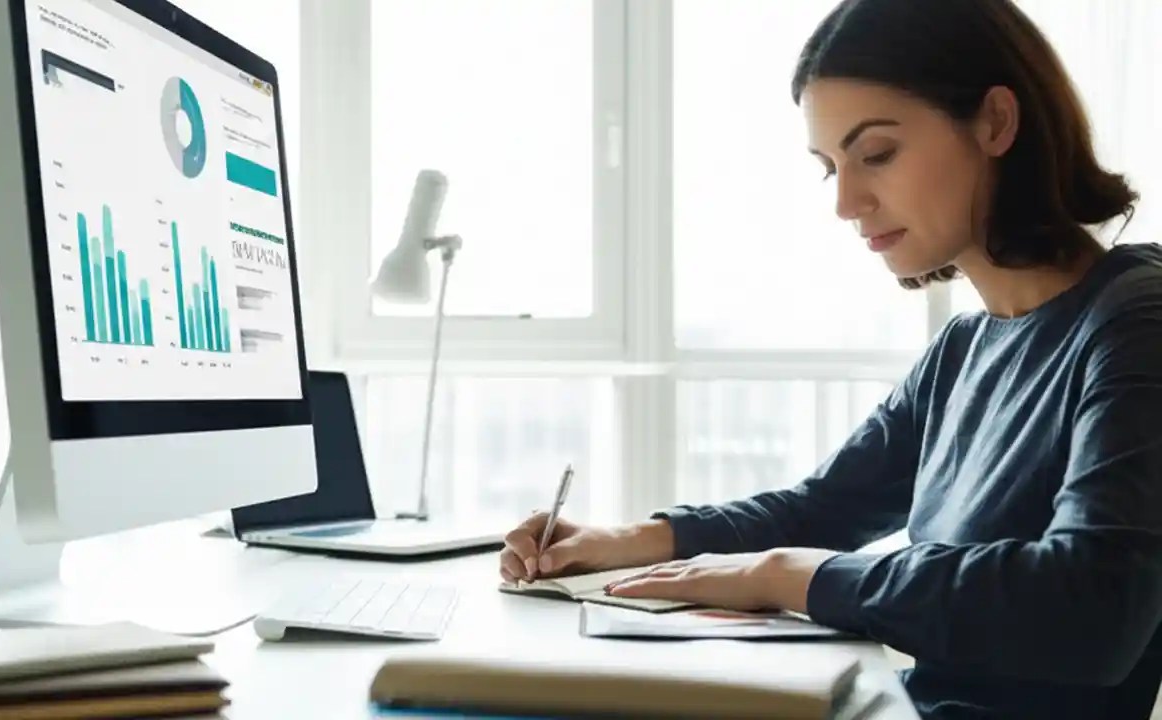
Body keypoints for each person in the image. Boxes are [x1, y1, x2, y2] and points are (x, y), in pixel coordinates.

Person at [498, 0, 1162, 717]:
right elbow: (824, 509)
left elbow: (1094, 609)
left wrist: (791, 578)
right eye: (830, 166)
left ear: (996, 122)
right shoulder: (965, 350)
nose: (847, 201)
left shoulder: (1136, 319)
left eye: (876, 154)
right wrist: (623, 540)